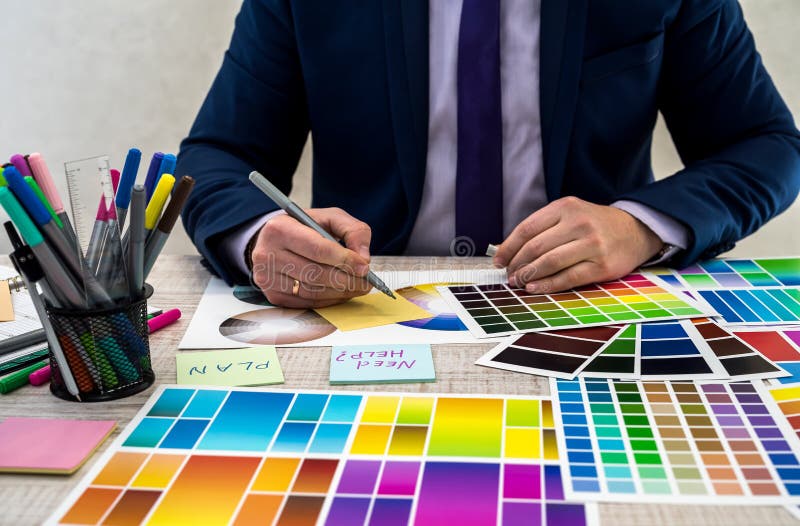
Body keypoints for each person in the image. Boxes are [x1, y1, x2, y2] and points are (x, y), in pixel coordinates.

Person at [177, 0, 800, 309]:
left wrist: (639, 226)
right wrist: (261, 237)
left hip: (590, 305)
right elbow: (219, 155)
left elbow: (768, 145)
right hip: (364, 306)